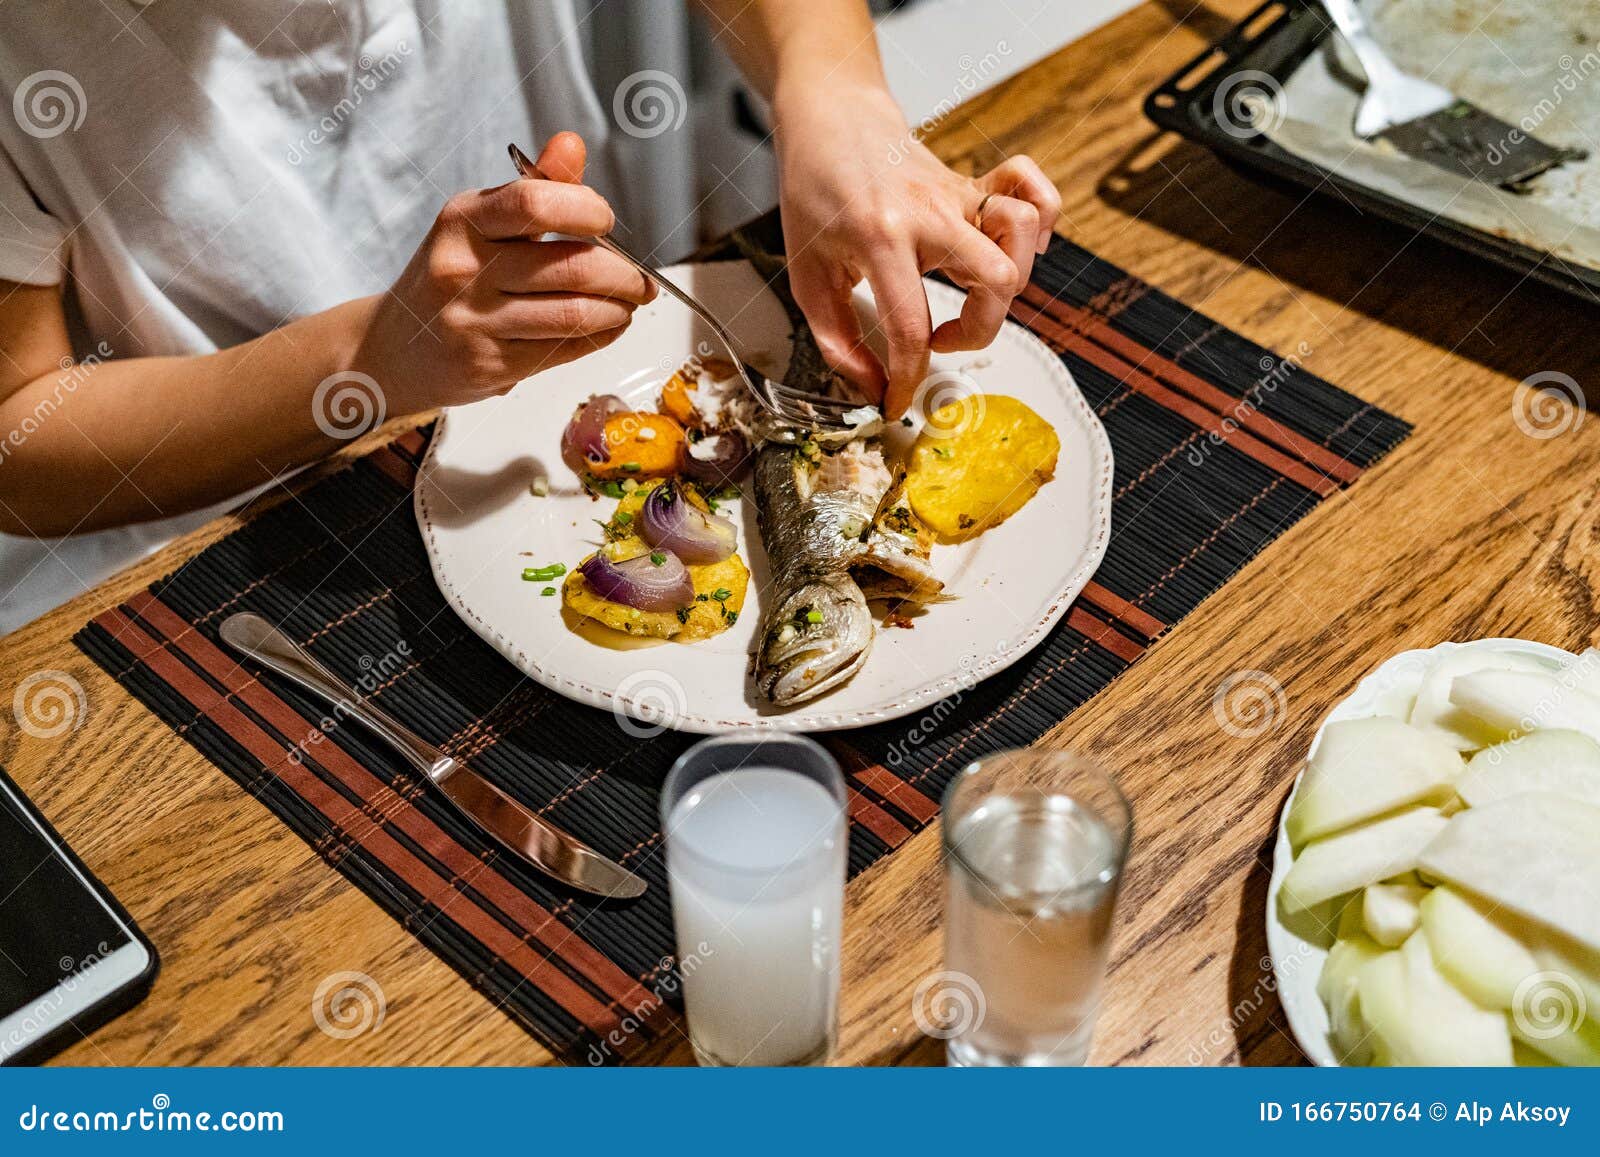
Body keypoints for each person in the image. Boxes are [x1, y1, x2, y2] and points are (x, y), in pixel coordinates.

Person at [0, 0, 1059, 635]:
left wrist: (833, 95)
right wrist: (370, 361)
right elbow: (20, 441)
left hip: (608, 387)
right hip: (246, 557)